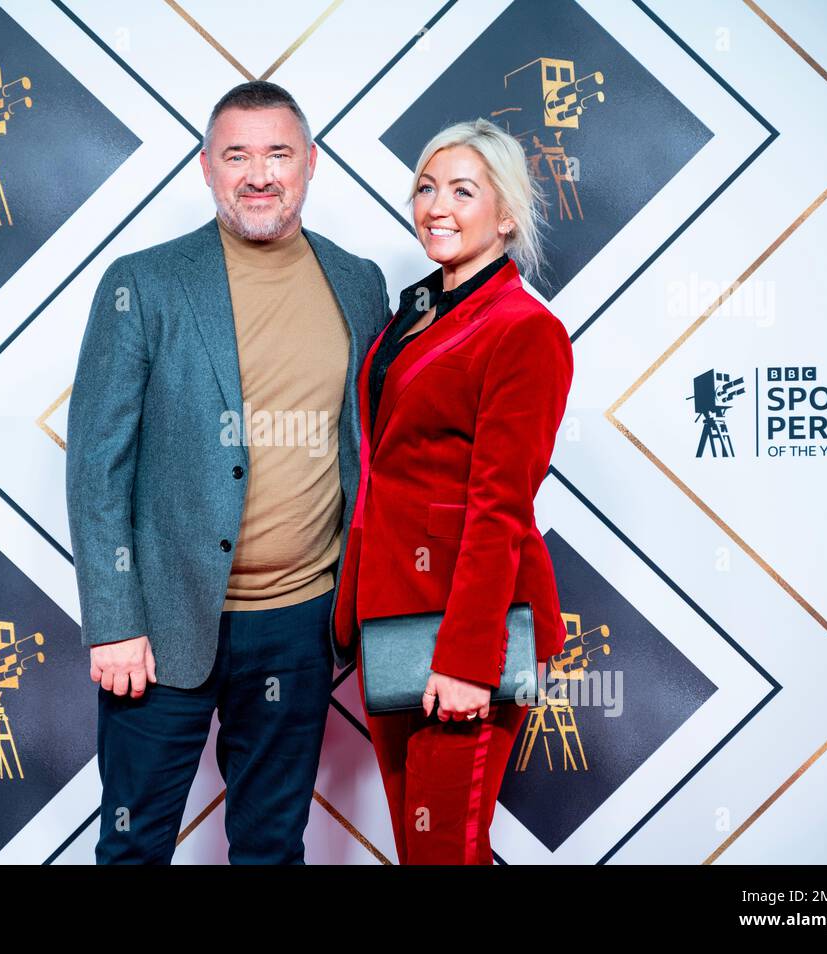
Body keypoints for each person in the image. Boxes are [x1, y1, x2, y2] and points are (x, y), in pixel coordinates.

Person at [66, 80, 392, 864]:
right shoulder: (143, 283)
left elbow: (373, 449)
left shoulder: (359, 283)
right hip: (164, 626)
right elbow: (96, 463)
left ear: (310, 165)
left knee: (272, 844)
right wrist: (114, 621)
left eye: (278, 153)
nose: (258, 174)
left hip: (301, 624)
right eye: (236, 155)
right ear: (206, 168)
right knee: (134, 844)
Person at [332, 118, 574, 865]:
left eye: (463, 191)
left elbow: (501, 506)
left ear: (505, 216)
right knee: (420, 846)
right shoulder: (415, 316)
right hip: (392, 619)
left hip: (466, 635)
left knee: (447, 851)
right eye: (427, 188)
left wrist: (469, 661)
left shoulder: (523, 330)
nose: (436, 205)